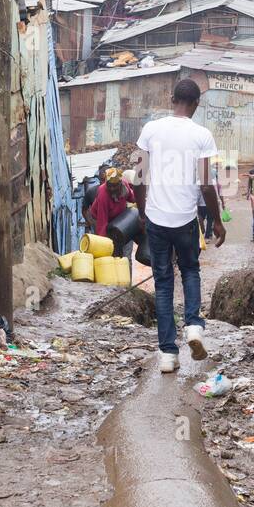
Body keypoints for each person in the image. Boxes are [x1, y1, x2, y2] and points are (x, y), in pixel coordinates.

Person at [137, 78, 225, 373]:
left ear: (171, 98)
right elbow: (206, 185)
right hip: (186, 220)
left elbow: (140, 177)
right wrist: (219, 223)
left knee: (162, 284)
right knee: (190, 270)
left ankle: (167, 356)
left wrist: (142, 213)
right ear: (196, 104)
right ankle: (194, 327)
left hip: (157, 219)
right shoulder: (201, 135)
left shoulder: (151, 129)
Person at [88, 167, 136, 257]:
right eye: (109, 185)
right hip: (100, 218)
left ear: (120, 183)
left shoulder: (125, 186)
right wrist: (103, 245)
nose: (112, 188)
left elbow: (132, 197)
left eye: (115, 186)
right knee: (111, 251)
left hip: (118, 218)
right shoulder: (103, 195)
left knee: (124, 253)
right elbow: (102, 223)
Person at [197, 161, 224, 240]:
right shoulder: (215, 183)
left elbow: (197, 195)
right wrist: (221, 203)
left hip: (201, 204)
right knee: (210, 220)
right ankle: (207, 236)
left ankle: (203, 234)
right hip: (210, 204)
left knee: (202, 218)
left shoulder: (199, 181)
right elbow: (219, 193)